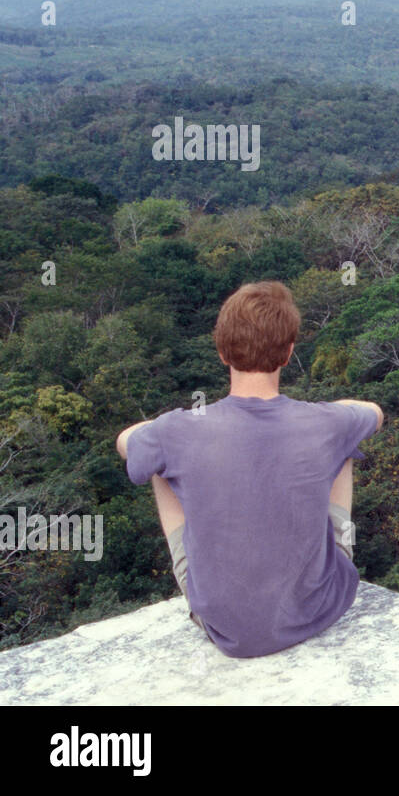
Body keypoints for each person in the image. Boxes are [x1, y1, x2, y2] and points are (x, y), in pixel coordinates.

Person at [115, 281, 382, 657]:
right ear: (288, 352)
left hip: (224, 629)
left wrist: (154, 433)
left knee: (158, 463)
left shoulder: (177, 430)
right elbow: (374, 413)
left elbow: (126, 444)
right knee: (344, 444)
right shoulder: (326, 422)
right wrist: (333, 410)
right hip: (317, 610)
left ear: (223, 351)